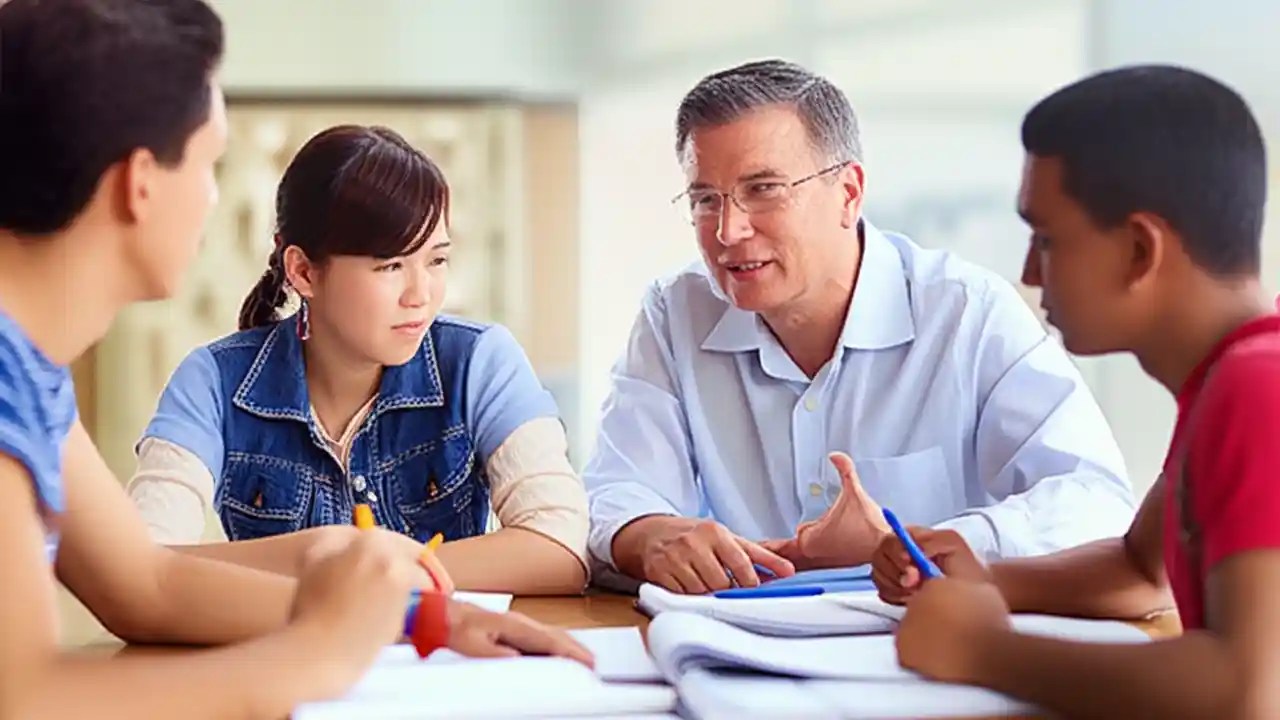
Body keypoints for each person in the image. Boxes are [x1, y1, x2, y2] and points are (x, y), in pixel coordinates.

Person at [0, 2, 589, 716]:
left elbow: (145, 583)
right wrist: (319, 654)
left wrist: (420, 617)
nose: (217, 195)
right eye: (211, 161)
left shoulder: (28, 376)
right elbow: (26, 699)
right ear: (141, 183)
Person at [584, 58, 1136, 594]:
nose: (728, 230)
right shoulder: (675, 311)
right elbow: (619, 486)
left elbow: (1096, 501)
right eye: (706, 199)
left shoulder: (967, 312)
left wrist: (923, 545)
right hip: (744, 638)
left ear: (848, 193)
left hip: (930, 646)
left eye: (764, 189)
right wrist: (648, 535)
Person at [874, 65, 1278, 719]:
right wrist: (982, 577)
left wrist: (983, 650)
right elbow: (1139, 572)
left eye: (1047, 240)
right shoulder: (1226, 378)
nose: (1030, 274)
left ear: (1139, 251)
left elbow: (1249, 690)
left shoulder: (1259, 385)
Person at [125, 123, 590, 595]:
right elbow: (142, 564)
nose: (420, 295)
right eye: (390, 266)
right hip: (291, 664)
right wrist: (355, 568)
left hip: (444, 661)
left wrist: (370, 571)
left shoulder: (480, 361)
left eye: (436, 261)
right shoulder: (214, 381)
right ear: (303, 271)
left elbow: (561, 547)